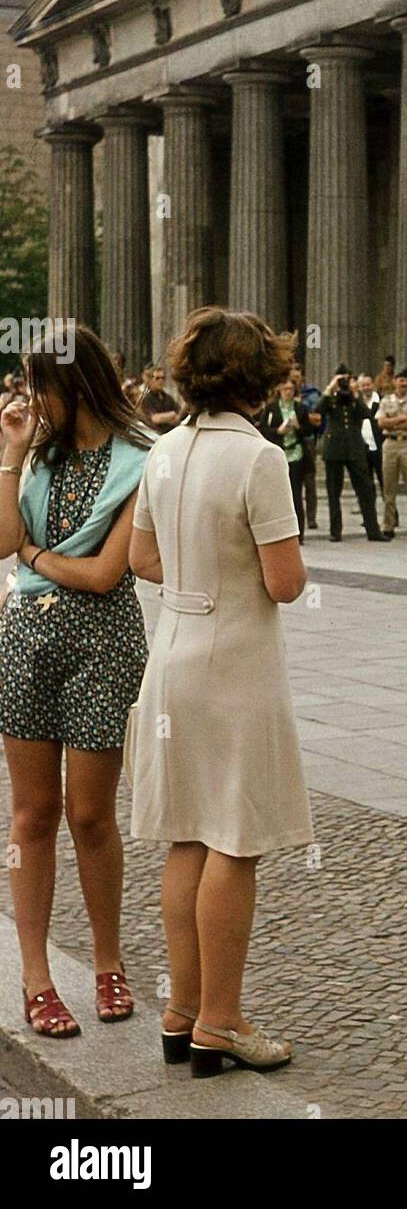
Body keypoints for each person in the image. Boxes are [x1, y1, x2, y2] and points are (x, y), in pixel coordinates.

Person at [127, 307, 314, 1078]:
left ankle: (180, 1009)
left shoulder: (164, 450)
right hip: (235, 663)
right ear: (259, 379)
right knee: (235, 838)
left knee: (186, 834)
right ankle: (222, 1020)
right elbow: (286, 581)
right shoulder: (259, 459)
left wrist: (197, 582)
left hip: (173, 652)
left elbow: (142, 556)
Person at [0, 325, 153, 1039]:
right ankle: (35, 976)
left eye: (40, 386)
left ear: (74, 386)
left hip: (104, 643)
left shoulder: (140, 462)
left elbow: (102, 574)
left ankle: (107, 964)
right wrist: (8, 455)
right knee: (32, 816)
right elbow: (1, 543)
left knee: (91, 816)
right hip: (27, 641)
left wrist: (33, 553)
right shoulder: (34, 460)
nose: (31, 400)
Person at [315, 366, 385, 543]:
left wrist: (355, 394)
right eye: (342, 379)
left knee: (366, 490)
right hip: (334, 449)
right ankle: (335, 530)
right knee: (333, 492)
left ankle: (373, 530)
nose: (345, 383)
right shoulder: (330, 398)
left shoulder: (355, 398)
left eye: (347, 379)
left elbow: (367, 414)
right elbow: (317, 411)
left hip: (354, 448)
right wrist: (330, 388)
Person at [261, 379, 315, 542]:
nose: (288, 392)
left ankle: (299, 534)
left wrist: (298, 427)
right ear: (279, 390)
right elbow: (263, 429)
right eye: (285, 389)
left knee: (296, 495)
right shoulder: (271, 408)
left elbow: (309, 430)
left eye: (291, 389)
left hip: (296, 454)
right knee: (277, 495)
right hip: (278, 453)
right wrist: (278, 431)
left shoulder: (300, 408)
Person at [377, 368, 407, 541]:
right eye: (400, 380)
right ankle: (388, 525)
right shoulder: (385, 401)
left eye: (406, 380)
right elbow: (381, 422)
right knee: (388, 488)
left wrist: (393, 422)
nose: (403, 383)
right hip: (390, 444)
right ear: (394, 382)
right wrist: (401, 419)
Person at [291, 366, 321, 531]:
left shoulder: (311, 394)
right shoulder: (282, 395)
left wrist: (302, 415)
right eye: (292, 379)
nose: (294, 382)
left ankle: (311, 518)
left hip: (307, 441)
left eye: (297, 378)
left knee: (309, 481)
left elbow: (317, 419)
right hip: (288, 443)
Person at [357, 374, 384, 495]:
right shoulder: (356, 402)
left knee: (384, 482)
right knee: (366, 484)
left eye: (368, 384)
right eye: (363, 385)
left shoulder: (382, 401)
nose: (366, 388)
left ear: (373, 385)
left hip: (379, 447)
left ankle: (391, 513)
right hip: (362, 448)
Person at [140, 365, 182, 433]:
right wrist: (172, 414)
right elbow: (156, 419)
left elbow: (179, 414)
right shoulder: (147, 399)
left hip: (170, 433)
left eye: (163, 378)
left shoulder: (168, 397)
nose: (161, 381)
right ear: (150, 380)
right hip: (155, 435)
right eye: (157, 378)